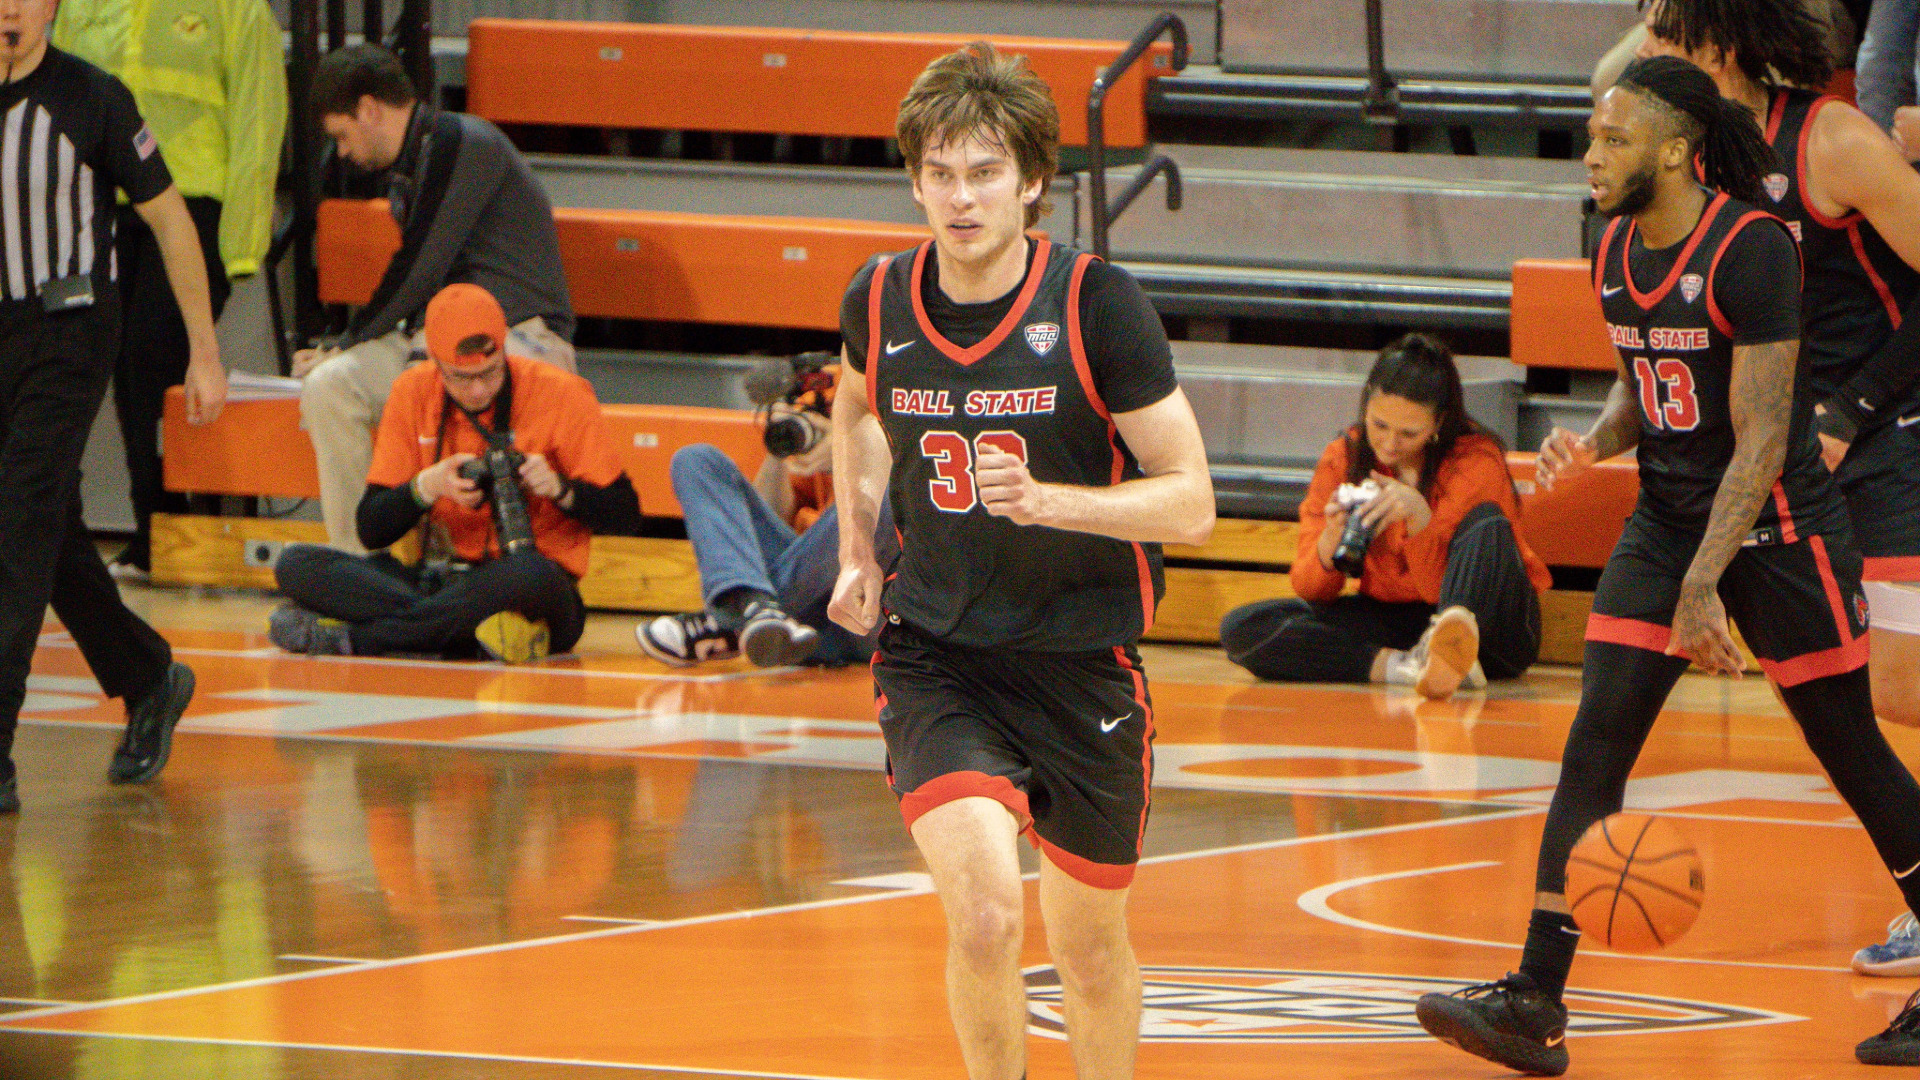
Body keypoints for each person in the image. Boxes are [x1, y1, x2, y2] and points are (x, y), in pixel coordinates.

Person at [1415, 57, 1920, 1075]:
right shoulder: (1609, 247)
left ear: (1679, 150)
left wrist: (1706, 585)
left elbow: (1762, 432)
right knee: (1593, 745)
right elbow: (1648, 380)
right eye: (1593, 139)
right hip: (1666, 519)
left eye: (1613, 140)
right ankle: (1532, 1000)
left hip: (1777, 526)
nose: (1592, 157)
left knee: (1851, 750)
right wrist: (1591, 441)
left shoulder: (1756, 251)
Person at [827, 43, 1214, 1080]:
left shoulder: (1096, 304)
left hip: (1082, 658)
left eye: (985, 172)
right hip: (937, 654)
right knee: (990, 915)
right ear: (914, 179)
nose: (961, 198)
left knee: (1087, 951)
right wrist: (856, 540)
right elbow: (857, 407)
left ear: (1034, 181)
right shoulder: (877, 297)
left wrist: (1057, 504)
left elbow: (1194, 502)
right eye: (941, 173)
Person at [1634, 0, 1920, 977]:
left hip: (1893, 429)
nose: (1642, 53)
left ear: (1716, 38)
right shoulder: (1695, 164)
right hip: (1801, 459)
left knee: (1892, 683)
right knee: (1855, 701)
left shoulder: (1831, 139)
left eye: (1661, 33)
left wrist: (1856, 404)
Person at [0, 0, 229, 810]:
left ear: (52, 7)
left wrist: (204, 351)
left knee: (16, 519)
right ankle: (149, 676)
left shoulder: (92, 96)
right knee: (46, 531)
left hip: (69, 328)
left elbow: (170, 221)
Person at [297, 43, 575, 553]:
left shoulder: (459, 141)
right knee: (328, 387)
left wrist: (350, 338)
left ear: (368, 110)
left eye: (341, 135)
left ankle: (473, 567)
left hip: (522, 338)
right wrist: (342, 353)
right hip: (441, 342)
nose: (341, 152)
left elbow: (418, 267)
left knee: (420, 374)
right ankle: (360, 572)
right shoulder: (415, 163)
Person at [269, 284, 640, 663]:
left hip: (532, 587)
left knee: (528, 575)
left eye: (491, 373)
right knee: (295, 564)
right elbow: (370, 529)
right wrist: (425, 487)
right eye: (461, 378)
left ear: (504, 351)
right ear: (434, 361)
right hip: (441, 580)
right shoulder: (412, 390)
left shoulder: (561, 392)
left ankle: (362, 640)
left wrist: (562, 490)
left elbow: (626, 513)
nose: (478, 390)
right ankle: (469, 633)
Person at [53, 0, 286, 579]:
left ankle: (170, 526)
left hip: (192, 204)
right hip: (100, 206)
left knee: (150, 362)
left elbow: (259, 124)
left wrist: (241, 244)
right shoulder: (79, 6)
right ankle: (157, 527)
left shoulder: (237, 10)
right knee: (121, 372)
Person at [1218, 333, 1550, 699]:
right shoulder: (1344, 456)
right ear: (1365, 408)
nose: (1390, 443)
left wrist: (1420, 521)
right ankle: (1404, 668)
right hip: (1395, 619)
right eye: (1379, 425)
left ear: (1438, 423)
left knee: (1488, 522)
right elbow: (1310, 590)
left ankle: (1449, 653)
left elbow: (1437, 591)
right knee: (1244, 628)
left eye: (1409, 432)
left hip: (1487, 629)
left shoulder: (1475, 461)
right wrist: (1330, 544)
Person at [634, 384, 898, 670]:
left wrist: (851, 452)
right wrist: (779, 452)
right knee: (696, 460)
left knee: (888, 495)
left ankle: (734, 620)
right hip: (803, 609)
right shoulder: (827, 391)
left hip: (865, 613)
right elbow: (759, 530)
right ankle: (755, 608)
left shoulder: (906, 400)